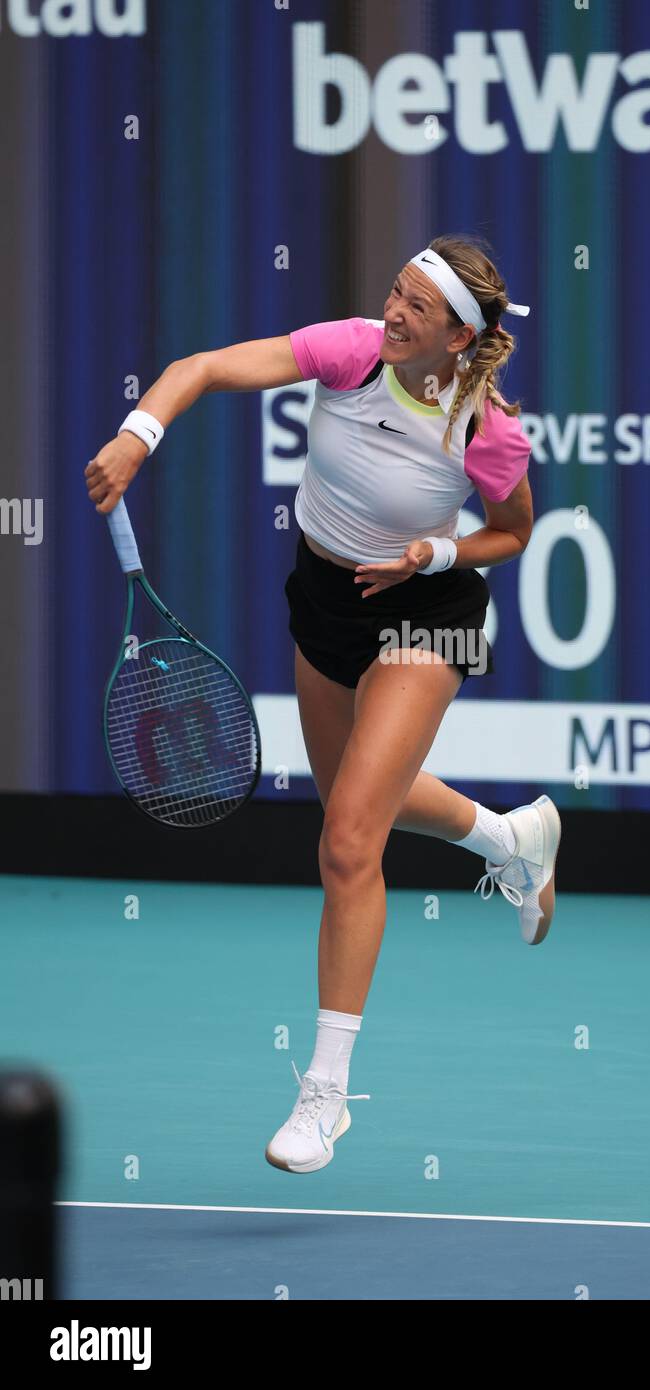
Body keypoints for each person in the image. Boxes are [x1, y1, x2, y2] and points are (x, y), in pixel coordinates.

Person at [84, 232, 561, 1173]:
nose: (392, 313)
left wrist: (435, 552)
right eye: (393, 293)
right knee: (351, 799)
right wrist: (137, 437)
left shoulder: (486, 427)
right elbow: (205, 367)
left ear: (458, 339)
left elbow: (514, 532)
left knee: (349, 839)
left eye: (417, 310)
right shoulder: (352, 350)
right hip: (327, 599)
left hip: (426, 611)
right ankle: (511, 841)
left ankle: (325, 1095)